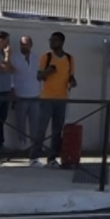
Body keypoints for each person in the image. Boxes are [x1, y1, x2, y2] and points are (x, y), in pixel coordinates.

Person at [31, 32, 76, 168]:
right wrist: (48, 72)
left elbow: (71, 76)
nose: (51, 43)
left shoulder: (69, 58)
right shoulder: (47, 57)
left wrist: (72, 81)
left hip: (62, 98)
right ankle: (35, 156)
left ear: (62, 42)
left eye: (55, 40)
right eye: (51, 40)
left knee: (57, 129)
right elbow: (39, 76)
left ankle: (52, 158)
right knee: (41, 129)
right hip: (47, 98)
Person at [10, 35, 40, 150]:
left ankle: (34, 145)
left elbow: (39, 74)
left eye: (26, 44)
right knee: (20, 122)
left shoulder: (36, 58)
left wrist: (40, 90)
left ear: (31, 45)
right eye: (22, 44)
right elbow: (11, 75)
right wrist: (12, 90)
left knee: (35, 122)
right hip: (20, 94)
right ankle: (22, 144)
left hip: (35, 94)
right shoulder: (15, 58)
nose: (23, 46)